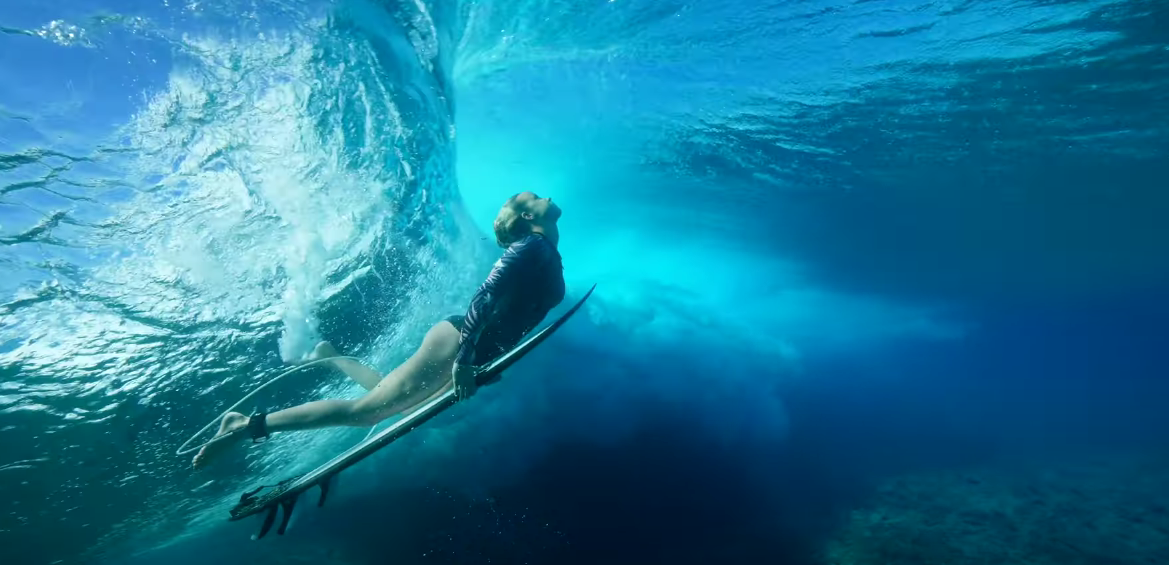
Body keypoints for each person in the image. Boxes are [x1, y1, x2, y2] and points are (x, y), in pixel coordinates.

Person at [192, 191, 565, 469]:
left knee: (394, 404)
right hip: (457, 343)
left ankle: (332, 357)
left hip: (476, 350)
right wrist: (467, 360)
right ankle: (246, 424)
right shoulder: (532, 246)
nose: (546, 196)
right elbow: (483, 299)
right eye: (536, 196)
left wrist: (488, 360)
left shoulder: (541, 248)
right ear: (527, 214)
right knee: (365, 413)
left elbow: (513, 314)